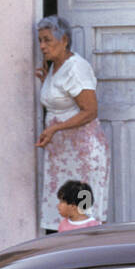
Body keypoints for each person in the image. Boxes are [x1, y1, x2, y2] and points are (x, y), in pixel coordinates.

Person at [35, 15, 109, 232]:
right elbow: (62, 99)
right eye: (40, 40)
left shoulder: (76, 67)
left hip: (83, 154)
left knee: (84, 217)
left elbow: (90, 111)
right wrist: (46, 83)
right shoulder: (55, 67)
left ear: (64, 40)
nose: (42, 46)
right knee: (64, 215)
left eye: (47, 40)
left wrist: (55, 128)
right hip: (63, 154)